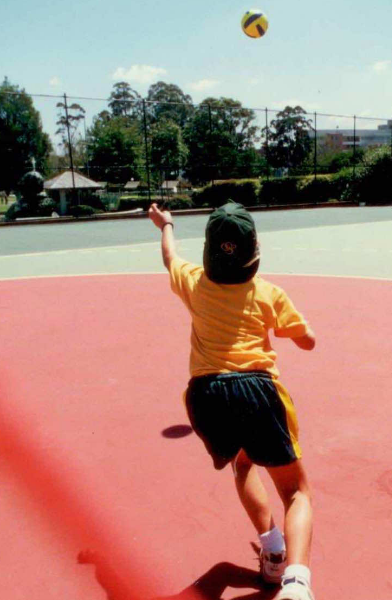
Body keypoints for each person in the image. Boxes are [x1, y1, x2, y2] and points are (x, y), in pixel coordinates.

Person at [148, 202, 317, 600]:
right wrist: (295, 332)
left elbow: (169, 255)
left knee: (243, 464)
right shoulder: (268, 293)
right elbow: (309, 341)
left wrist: (166, 224)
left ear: (209, 252)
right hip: (256, 389)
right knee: (296, 492)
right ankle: (296, 584)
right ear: (254, 252)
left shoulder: (194, 282)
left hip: (206, 394)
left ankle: (273, 550)